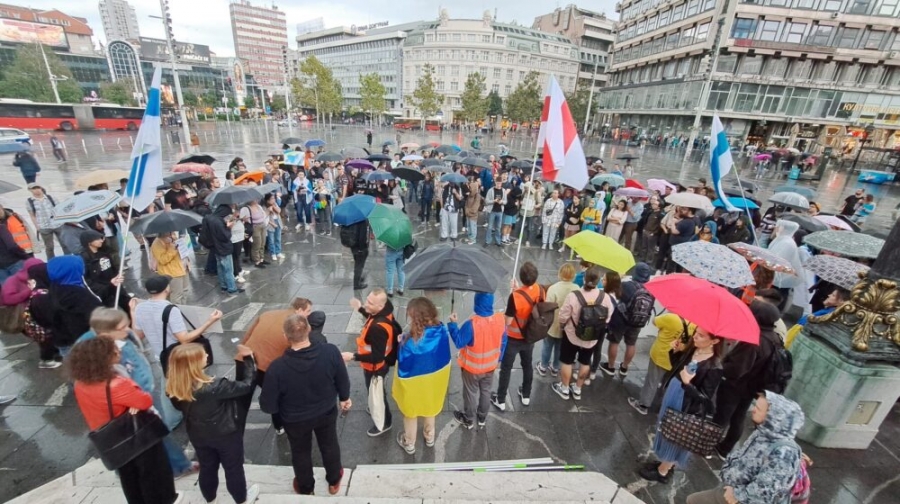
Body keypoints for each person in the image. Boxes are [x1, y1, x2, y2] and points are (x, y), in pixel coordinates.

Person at [77, 307, 195, 477]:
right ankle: (178, 467)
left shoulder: (90, 345)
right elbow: (138, 387)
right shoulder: (110, 356)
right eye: (122, 327)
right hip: (128, 404)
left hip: (118, 405)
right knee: (153, 434)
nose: (128, 330)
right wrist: (137, 399)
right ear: (105, 332)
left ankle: (172, 466)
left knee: (134, 442)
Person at [69, 337, 182, 504]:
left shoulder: (80, 383)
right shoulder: (116, 384)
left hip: (109, 439)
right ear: (104, 359)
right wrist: (130, 397)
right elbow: (144, 400)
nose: (119, 351)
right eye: (114, 351)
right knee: (152, 475)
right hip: (135, 437)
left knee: (129, 477)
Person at [260, 314, 350, 496]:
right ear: (309, 330)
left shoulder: (277, 367)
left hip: (295, 419)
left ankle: (306, 487)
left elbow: (267, 405)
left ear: (286, 336)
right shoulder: (330, 351)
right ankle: (334, 481)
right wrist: (344, 398)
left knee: (300, 451)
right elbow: (342, 379)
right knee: (330, 444)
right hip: (325, 411)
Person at [167, 343, 260, 504]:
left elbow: (178, 406)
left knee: (208, 467)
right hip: (226, 433)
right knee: (233, 468)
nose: (207, 356)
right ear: (195, 363)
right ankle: (241, 499)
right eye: (203, 355)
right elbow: (246, 385)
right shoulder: (215, 386)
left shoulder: (174, 387)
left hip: (198, 434)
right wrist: (248, 359)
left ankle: (210, 499)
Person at [639, 327, 724, 483]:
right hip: (674, 391)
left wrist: (687, 383)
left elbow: (705, 399)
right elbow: (676, 367)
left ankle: (663, 472)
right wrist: (675, 351)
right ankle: (666, 462)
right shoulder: (694, 349)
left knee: (675, 435)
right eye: (696, 333)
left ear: (715, 341)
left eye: (701, 335)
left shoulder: (714, 366)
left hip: (686, 404)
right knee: (666, 428)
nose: (695, 337)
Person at [687, 392, 805, 504]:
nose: (753, 410)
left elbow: (766, 490)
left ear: (774, 418)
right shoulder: (762, 432)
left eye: (758, 409)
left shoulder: (784, 453)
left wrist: (738, 495)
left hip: (741, 498)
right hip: (732, 487)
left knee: (693, 500)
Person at [714, 300, 782, 458]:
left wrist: (722, 368)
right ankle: (726, 448)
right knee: (739, 416)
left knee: (722, 416)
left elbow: (737, 368)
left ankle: (709, 443)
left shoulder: (754, 340)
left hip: (736, 385)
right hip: (753, 386)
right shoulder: (775, 337)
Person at [241, 297, 312, 434]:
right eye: (308, 311)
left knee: (243, 395)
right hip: (267, 366)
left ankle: (235, 423)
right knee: (277, 395)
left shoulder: (267, 314)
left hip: (245, 359)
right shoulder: (296, 326)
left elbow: (247, 336)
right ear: (299, 310)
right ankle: (279, 425)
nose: (309, 314)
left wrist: (242, 351)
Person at [393, 297, 452, 454]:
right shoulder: (443, 330)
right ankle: (429, 437)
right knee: (429, 409)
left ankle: (409, 443)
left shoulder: (410, 342)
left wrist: (401, 342)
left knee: (410, 414)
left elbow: (403, 361)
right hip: (433, 383)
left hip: (414, 384)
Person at [342, 289, 399, 436]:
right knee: (374, 391)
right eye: (367, 300)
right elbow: (371, 315)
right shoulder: (384, 313)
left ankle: (385, 423)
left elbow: (377, 357)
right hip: (381, 364)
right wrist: (360, 308)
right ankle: (373, 406)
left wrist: (353, 356)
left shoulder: (377, 329)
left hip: (376, 367)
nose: (367, 304)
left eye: (370, 303)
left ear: (380, 306)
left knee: (378, 394)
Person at [552, 266, 614, 400]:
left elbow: (563, 315)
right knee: (585, 362)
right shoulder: (605, 298)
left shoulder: (574, 296)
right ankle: (578, 388)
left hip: (572, 334)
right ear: (597, 281)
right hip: (592, 337)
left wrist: (562, 326)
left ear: (584, 279)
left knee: (567, 361)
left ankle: (564, 388)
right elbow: (608, 317)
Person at [448, 292, 505, 429]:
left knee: (470, 393)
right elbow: (504, 341)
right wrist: (500, 358)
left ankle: (468, 419)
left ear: (476, 303)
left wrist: (453, 325)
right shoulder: (500, 319)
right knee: (486, 391)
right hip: (490, 366)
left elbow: (459, 342)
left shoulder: (471, 324)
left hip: (472, 369)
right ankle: (482, 417)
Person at [492, 262, 541, 410]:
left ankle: (500, 399)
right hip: (529, 336)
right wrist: (519, 290)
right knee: (527, 365)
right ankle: (526, 395)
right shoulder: (539, 289)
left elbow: (508, 321)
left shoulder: (514, 297)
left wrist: (513, 296)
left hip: (513, 338)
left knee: (506, 368)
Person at [628, 313, 697, 415]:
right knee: (666, 383)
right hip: (676, 359)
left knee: (651, 381)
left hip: (661, 355)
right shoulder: (694, 324)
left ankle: (643, 405)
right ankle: (663, 407)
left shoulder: (671, 317)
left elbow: (654, 321)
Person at [41, 256, 103, 357]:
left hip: (64, 341)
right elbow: (98, 315)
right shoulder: (80, 295)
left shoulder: (54, 289)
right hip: (85, 343)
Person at [601, 262, 653, 377]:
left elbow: (615, 294)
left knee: (614, 342)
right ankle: (624, 367)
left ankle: (610, 366)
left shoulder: (626, 285)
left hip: (621, 319)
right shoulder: (650, 289)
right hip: (637, 322)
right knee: (631, 344)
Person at [536, 263, 579, 377]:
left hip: (552, 323)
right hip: (567, 325)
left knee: (547, 346)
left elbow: (547, 306)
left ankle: (543, 366)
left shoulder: (553, 288)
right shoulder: (576, 288)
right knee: (560, 348)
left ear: (560, 274)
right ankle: (555, 367)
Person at [203, 204, 244, 295]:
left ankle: (224, 286)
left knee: (220, 268)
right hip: (224, 248)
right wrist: (229, 228)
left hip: (216, 248)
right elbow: (225, 236)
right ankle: (232, 288)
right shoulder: (219, 222)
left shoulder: (210, 219)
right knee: (228, 269)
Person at [767, 220, 805, 312]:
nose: (775, 228)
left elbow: (777, 260)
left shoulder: (787, 243)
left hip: (781, 280)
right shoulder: (781, 240)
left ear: (782, 228)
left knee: (774, 302)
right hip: (774, 277)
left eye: (777, 226)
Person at [26, 183, 63, 259]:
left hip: (57, 224)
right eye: (34, 188)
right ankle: (51, 262)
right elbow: (32, 215)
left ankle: (69, 259)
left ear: (41, 188)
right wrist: (37, 226)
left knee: (64, 244)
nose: (37, 190)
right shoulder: (30, 201)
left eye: (38, 188)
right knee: (49, 247)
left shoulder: (51, 198)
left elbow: (59, 209)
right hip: (44, 226)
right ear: (30, 190)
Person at [151, 232, 189, 305]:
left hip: (183, 268)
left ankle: (184, 308)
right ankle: (177, 311)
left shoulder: (173, 236)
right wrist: (173, 249)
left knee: (185, 291)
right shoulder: (157, 243)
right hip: (173, 273)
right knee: (177, 295)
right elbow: (162, 260)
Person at [0, 210, 30, 283]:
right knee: (23, 285)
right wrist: (25, 256)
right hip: (13, 262)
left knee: (8, 289)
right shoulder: (1, 228)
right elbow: (12, 246)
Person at [343, 220, 370, 290]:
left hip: (353, 245)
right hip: (360, 247)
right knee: (359, 265)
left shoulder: (351, 219)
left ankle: (358, 278)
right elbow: (362, 237)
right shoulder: (362, 221)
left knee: (357, 263)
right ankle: (357, 284)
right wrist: (361, 249)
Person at [484, 180, 506, 247]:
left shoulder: (503, 190)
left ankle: (498, 242)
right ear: (495, 183)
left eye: (500, 183)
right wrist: (493, 201)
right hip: (492, 211)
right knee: (490, 227)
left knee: (498, 228)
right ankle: (487, 241)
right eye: (497, 183)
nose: (499, 184)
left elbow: (505, 201)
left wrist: (501, 202)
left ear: (501, 183)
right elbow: (486, 201)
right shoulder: (491, 190)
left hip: (500, 212)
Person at [462, 177, 482, 244]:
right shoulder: (469, 195)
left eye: (470, 187)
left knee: (473, 227)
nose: (469, 189)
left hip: (473, 215)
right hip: (468, 214)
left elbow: (475, 208)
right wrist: (466, 210)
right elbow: (466, 204)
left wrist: (467, 211)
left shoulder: (477, 196)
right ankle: (470, 237)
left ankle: (473, 239)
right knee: (469, 227)